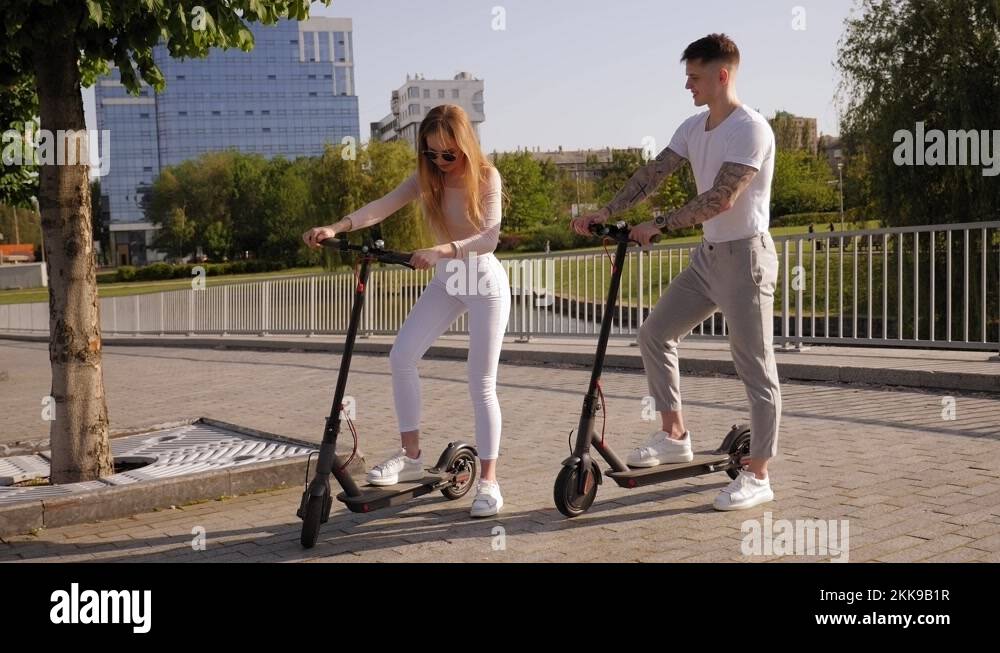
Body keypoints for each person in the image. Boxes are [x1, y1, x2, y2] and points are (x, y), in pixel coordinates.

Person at [571, 34, 781, 511]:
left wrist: (660, 224)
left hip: (745, 258)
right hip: (708, 258)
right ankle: (675, 434)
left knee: (755, 368)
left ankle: (760, 474)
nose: (688, 85)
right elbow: (653, 174)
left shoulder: (751, 129)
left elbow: (722, 198)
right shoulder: (693, 126)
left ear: (722, 75)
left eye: (695, 77)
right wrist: (606, 212)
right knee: (655, 333)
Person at [303, 105, 511, 517]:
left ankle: (489, 481)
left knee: (480, 381)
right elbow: (382, 204)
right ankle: (411, 454)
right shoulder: (427, 178)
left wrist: (442, 249)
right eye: (431, 153)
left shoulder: (486, 176)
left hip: (483, 283)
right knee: (401, 356)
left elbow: (489, 237)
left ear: (465, 146)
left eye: (448, 154)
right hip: (446, 281)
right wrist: (338, 227)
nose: (439, 162)